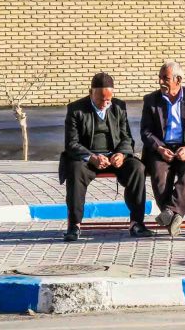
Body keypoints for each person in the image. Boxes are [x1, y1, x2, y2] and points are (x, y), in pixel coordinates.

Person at [59, 72, 152, 242]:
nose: (104, 104)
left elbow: (127, 138)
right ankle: (74, 225)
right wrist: (91, 157)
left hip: (114, 157)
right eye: (100, 100)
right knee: (75, 170)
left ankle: (137, 223)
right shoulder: (76, 109)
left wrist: (121, 154)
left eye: (108, 100)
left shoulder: (118, 107)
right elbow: (71, 143)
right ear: (91, 93)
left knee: (137, 168)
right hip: (87, 159)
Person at [140, 60, 185, 236]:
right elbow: (145, 131)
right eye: (160, 77)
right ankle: (174, 217)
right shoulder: (151, 100)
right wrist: (159, 148)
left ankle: (170, 212)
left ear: (178, 80)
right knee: (159, 174)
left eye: (165, 78)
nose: (161, 81)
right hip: (161, 148)